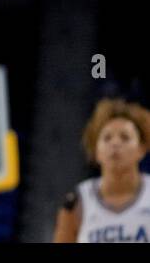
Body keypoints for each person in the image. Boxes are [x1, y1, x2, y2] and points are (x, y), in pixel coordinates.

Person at [53, 97, 150, 243]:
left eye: (125, 137)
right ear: (96, 151)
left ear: (141, 148)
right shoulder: (76, 203)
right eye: (107, 138)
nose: (115, 143)